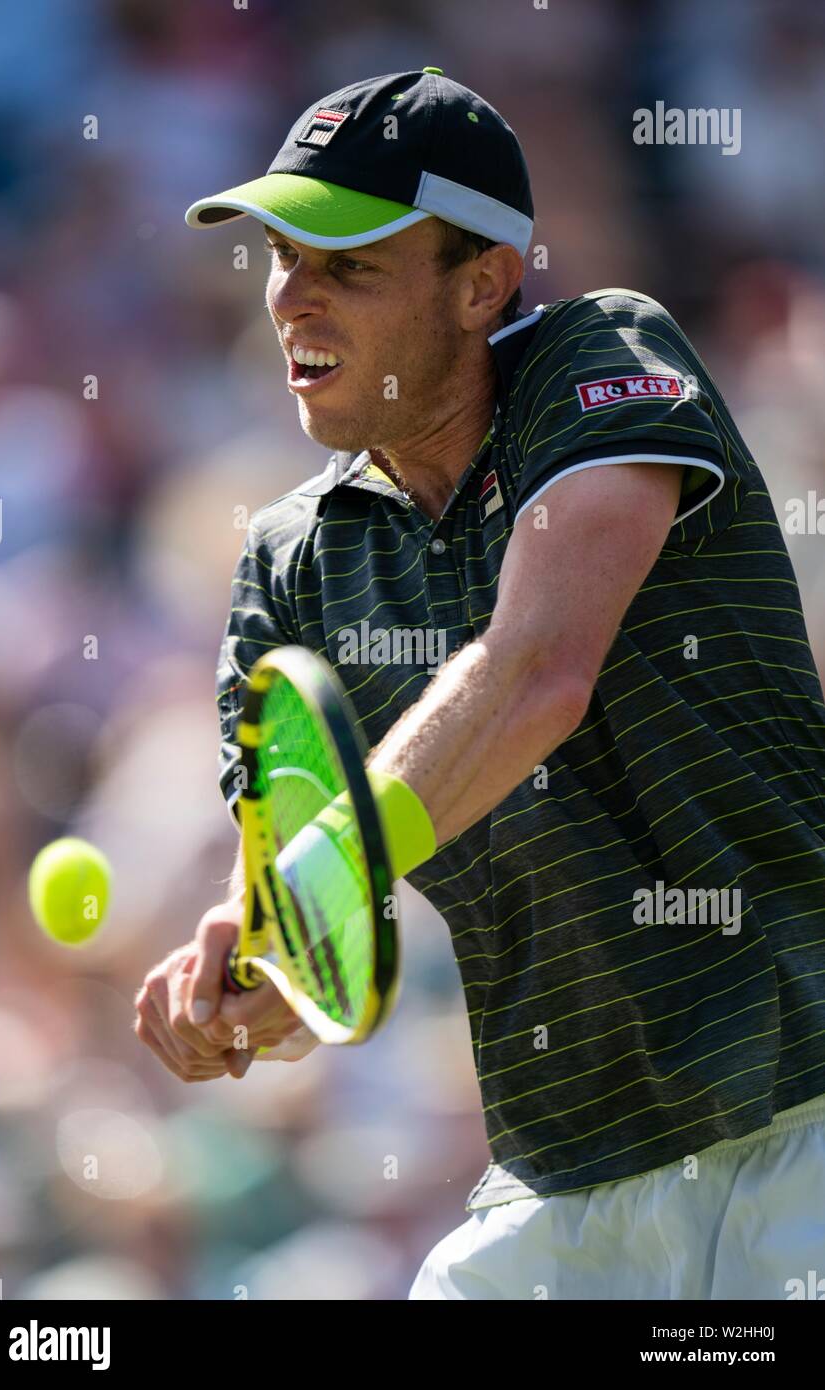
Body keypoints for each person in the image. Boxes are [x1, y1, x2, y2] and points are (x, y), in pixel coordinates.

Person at [135, 68, 825, 1300]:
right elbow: (317, 908)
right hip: (563, 1178)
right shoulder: (287, 561)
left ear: (481, 283)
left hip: (807, 1115)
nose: (291, 297)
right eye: (282, 259)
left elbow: (533, 679)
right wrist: (256, 976)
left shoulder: (599, 352)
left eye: (347, 265)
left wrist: (306, 888)